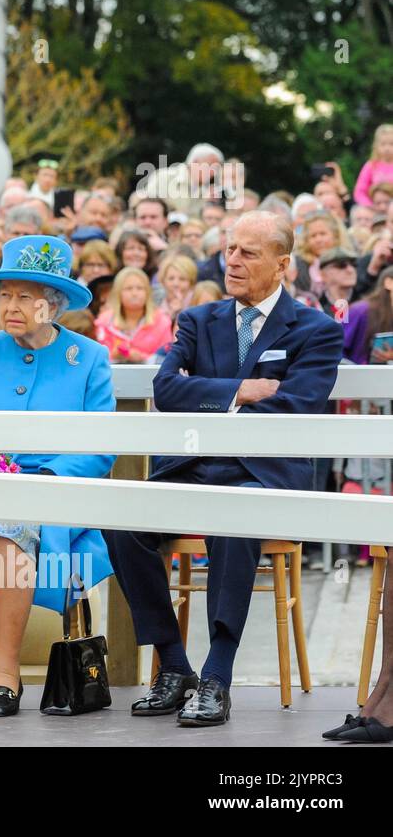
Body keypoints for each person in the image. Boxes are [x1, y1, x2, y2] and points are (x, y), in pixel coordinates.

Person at [104, 210, 343, 729]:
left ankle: (217, 676)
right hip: (191, 467)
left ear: (282, 265)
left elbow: (297, 405)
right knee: (122, 522)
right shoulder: (197, 319)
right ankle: (174, 664)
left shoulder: (317, 331)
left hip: (262, 474)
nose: (232, 261)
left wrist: (208, 395)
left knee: (233, 523)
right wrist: (239, 389)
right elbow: (165, 391)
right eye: (230, 249)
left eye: (248, 253)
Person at [0, 234, 115, 717]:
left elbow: (100, 449)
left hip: (54, 495)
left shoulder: (88, 359)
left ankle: (6, 669)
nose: (11, 305)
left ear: (53, 304)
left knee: (9, 523)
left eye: (25, 296)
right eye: (4, 295)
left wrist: (41, 480)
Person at [94, 266, 174, 363]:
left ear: (148, 292)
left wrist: (141, 358)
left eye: (140, 288)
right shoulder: (104, 321)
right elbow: (97, 359)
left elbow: (166, 360)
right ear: (118, 293)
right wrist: (113, 356)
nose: (134, 293)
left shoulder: (162, 322)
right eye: (128, 288)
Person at [354, 124, 393, 209]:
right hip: (375, 210)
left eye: (391, 144)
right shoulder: (371, 166)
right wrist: (370, 206)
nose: (387, 148)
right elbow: (359, 191)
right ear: (376, 146)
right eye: (383, 144)